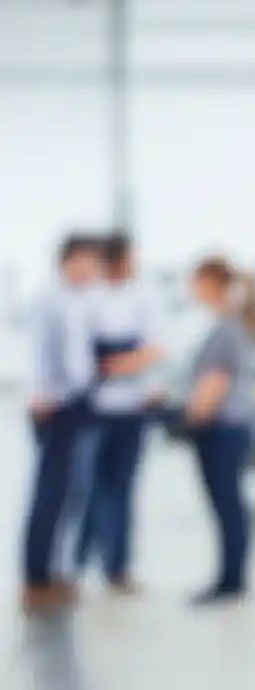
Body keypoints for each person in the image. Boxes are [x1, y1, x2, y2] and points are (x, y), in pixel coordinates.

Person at [75, 232, 165, 594]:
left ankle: (118, 567)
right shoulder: (89, 296)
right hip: (94, 408)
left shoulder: (144, 296)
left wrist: (120, 364)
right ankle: (76, 565)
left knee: (123, 489)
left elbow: (156, 348)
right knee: (88, 489)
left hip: (132, 407)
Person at [21, 234, 102, 615]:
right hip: (54, 404)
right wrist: (41, 395)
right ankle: (37, 578)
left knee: (73, 494)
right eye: (85, 261)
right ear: (68, 260)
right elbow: (38, 352)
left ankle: (57, 571)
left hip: (78, 401)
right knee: (50, 495)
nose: (91, 269)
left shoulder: (80, 300)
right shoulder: (48, 300)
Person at [183, 257, 255, 606]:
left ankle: (231, 581)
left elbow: (213, 385)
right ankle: (232, 578)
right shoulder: (234, 325)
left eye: (196, 281)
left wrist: (189, 419)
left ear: (212, 283)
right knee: (231, 505)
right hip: (233, 426)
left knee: (227, 505)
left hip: (222, 428)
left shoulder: (225, 329)